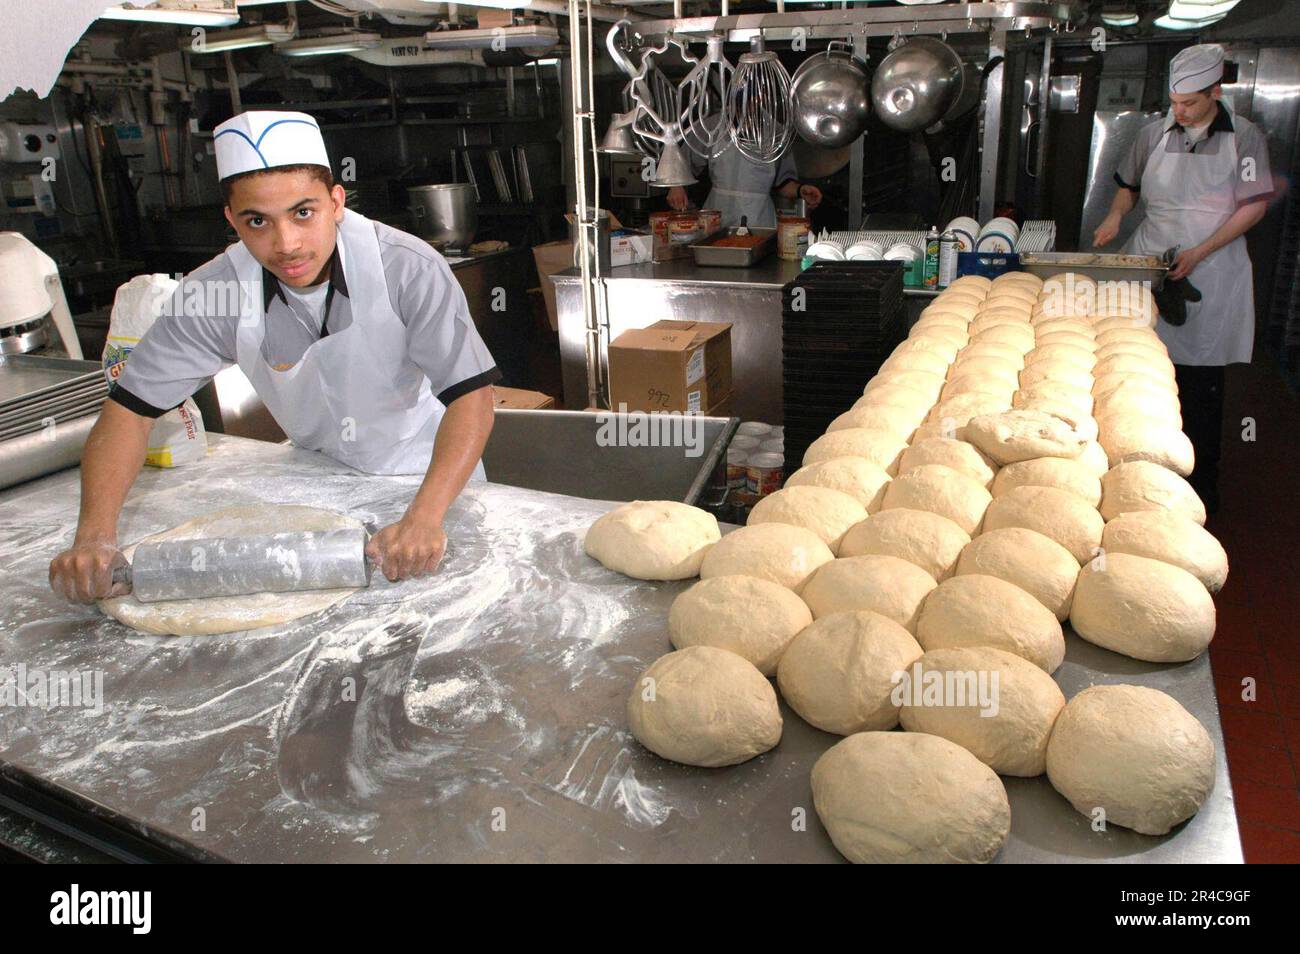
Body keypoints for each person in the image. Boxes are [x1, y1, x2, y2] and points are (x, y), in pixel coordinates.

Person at [49, 110, 501, 601]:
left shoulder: (407, 269)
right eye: (257, 221)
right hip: (320, 483)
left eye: (303, 212)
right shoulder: (214, 293)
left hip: (429, 481)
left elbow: (472, 398)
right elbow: (128, 412)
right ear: (230, 219)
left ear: (336, 201)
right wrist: (93, 537)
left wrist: (424, 517)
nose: (286, 244)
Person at [1092, 44, 1273, 512]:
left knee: (1199, 387)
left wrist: (1202, 250)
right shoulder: (1153, 134)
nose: (1181, 111)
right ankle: (1131, 482)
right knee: (1133, 372)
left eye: (1190, 102)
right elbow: (1127, 190)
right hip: (1151, 260)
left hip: (1212, 268)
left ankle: (1197, 492)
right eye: (1175, 102)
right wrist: (1115, 219)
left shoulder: (1246, 138)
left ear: (1215, 91)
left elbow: (1255, 204)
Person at [666, 138, 822, 227]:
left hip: (760, 219)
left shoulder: (777, 133)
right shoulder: (712, 126)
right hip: (716, 215)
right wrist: (676, 186)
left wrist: (800, 190)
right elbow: (680, 161)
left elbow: (783, 183)